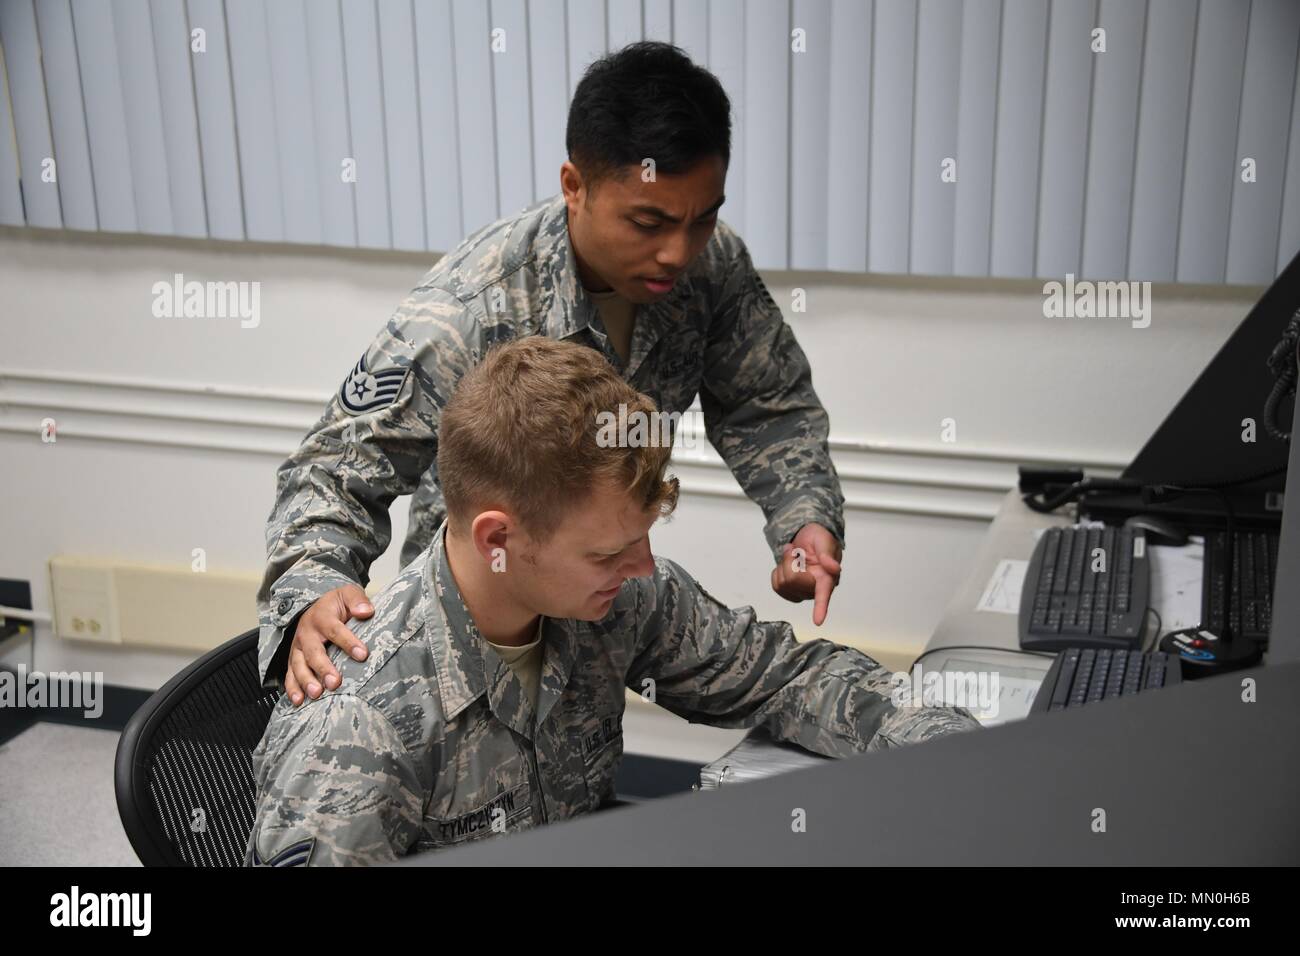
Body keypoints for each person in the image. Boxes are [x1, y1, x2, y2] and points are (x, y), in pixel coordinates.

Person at [256, 41, 847, 707]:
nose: (679, 250)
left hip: (598, 599)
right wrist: (314, 588)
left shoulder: (712, 267)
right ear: (575, 186)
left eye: (701, 219)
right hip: (482, 629)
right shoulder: (469, 309)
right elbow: (335, 468)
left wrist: (804, 521)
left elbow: (766, 406)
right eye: (648, 222)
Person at [244, 337, 980, 866]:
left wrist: (954, 748)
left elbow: (785, 679)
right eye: (607, 552)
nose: (642, 568)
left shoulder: (618, 598)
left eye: (642, 538)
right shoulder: (359, 730)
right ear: (499, 536)